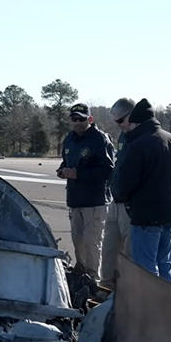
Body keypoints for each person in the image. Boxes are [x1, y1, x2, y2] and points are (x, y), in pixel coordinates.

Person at [112, 98, 171, 283]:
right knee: (165, 265)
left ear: (137, 122)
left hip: (146, 217)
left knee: (146, 271)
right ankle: (169, 308)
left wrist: (119, 194)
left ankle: (151, 309)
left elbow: (124, 185)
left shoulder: (138, 145)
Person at [57, 103, 115, 282]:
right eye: (73, 119)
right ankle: (82, 275)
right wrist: (62, 171)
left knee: (91, 242)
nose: (76, 122)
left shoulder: (99, 139)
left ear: (90, 119)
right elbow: (65, 162)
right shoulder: (69, 139)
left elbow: (108, 171)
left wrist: (78, 174)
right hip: (75, 200)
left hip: (94, 201)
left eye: (81, 119)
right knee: (78, 242)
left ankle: (93, 279)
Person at [99, 97, 135, 289]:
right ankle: (106, 287)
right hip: (115, 200)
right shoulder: (123, 137)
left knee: (129, 253)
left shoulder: (141, 137)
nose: (118, 125)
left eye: (121, 121)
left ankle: (125, 291)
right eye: (116, 122)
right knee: (109, 248)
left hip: (130, 204)